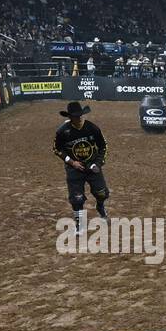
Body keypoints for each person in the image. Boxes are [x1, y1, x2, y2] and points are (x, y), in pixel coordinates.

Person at [52, 100, 109, 234]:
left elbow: (103, 146)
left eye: (80, 116)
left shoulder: (92, 128)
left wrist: (97, 163)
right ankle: (80, 224)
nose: (78, 119)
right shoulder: (62, 132)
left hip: (92, 165)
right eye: (75, 116)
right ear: (70, 117)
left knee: (102, 193)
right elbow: (57, 149)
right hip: (74, 168)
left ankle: (100, 206)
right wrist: (72, 162)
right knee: (76, 199)